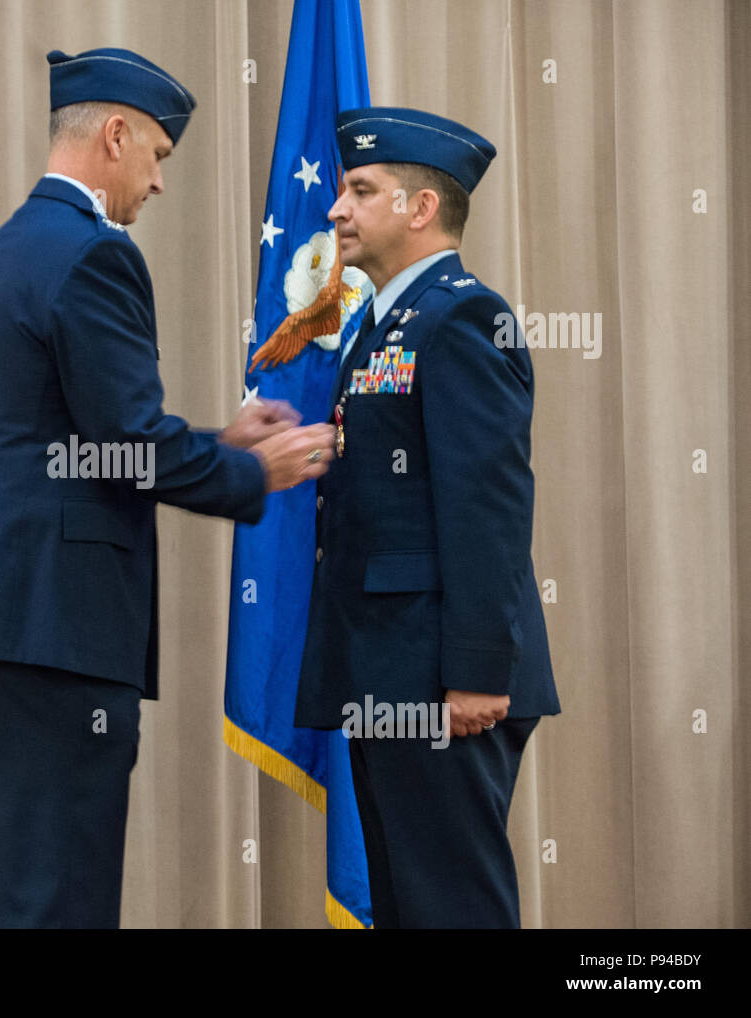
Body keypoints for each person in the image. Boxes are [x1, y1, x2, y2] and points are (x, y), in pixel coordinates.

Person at [0, 48, 334, 928]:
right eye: (158, 156)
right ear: (114, 135)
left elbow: (56, 437)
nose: (159, 182)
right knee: (56, 897)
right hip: (52, 627)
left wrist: (216, 440)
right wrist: (252, 471)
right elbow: (129, 445)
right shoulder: (98, 254)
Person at [293, 107, 559, 929]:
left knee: (452, 908)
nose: (337, 209)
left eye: (361, 191)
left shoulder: (463, 317)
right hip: (389, 666)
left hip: (443, 675)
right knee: (409, 908)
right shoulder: (380, 326)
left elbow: (488, 505)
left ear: (421, 208)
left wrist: (477, 668)